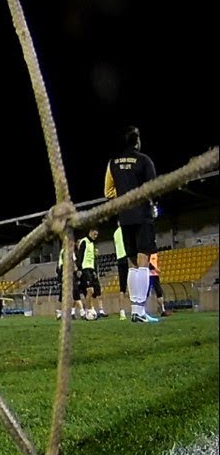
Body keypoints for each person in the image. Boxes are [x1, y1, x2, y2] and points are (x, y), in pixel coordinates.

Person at [104, 125, 159, 323]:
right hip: (142, 215)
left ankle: (135, 311)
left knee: (133, 264)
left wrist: (123, 200)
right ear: (137, 141)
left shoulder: (112, 163)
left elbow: (108, 192)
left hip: (124, 217)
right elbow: (153, 188)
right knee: (143, 261)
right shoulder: (144, 160)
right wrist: (152, 204)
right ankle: (139, 311)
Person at [75, 228, 107, 319]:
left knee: (95, 291)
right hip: (85, 269)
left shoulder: (92, 244)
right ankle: (87, 310)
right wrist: (79, 269)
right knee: (90, 291)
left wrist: (95, 271)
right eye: (94, 234)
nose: (95, 236)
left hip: (91, 269)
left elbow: (93, 259)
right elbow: (80, 255)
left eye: (97, 235)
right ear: (90, 232)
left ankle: (91, 310)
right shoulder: (84, 241)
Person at [147, 251, 172, 317]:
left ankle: (163, 310)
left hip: (155, 275)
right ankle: (143, 310)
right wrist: (155, 269)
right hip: (149, 274)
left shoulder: (155, 254)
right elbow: (147, 262)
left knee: (159, 292)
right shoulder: (147, 252)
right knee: (147, 293)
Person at [113, 224, 129, 319]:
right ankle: (137, 310)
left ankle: (122, 312)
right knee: (132, 284)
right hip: (127, 257)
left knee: (122, 288)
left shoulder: (115, 233)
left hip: (119, 259)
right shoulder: (125, 229)